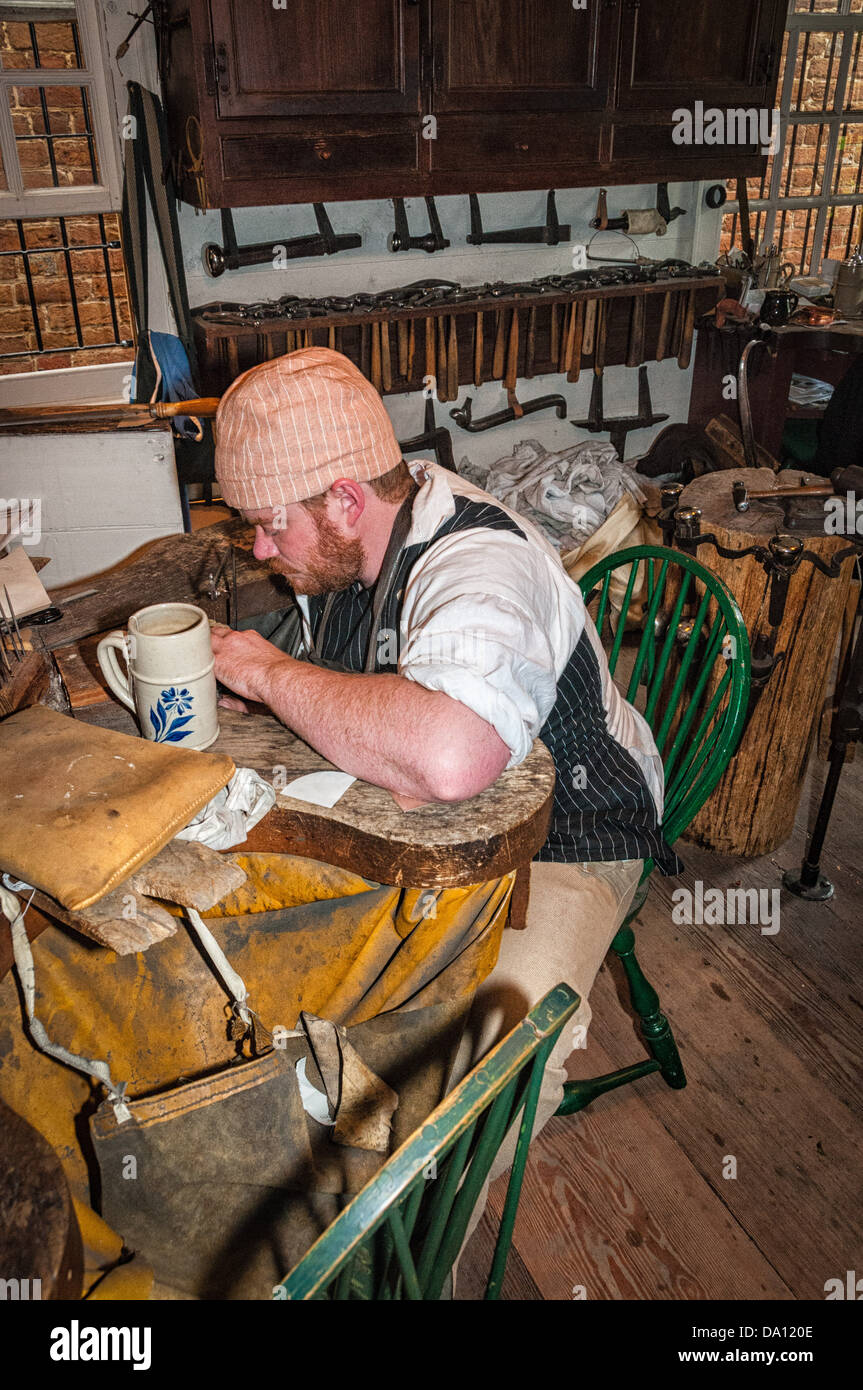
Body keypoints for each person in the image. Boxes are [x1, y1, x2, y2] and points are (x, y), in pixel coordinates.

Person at [210, 347, 679, 1150]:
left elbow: (452, 758)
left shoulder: (477, 561)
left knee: (487, 1078)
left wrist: (272, 673)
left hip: (573, 833)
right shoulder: (361, 539)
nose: (259, 549)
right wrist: (278, 684)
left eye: (269, 524)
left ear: (346, 500)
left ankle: (418, 1244)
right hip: (430, 839)